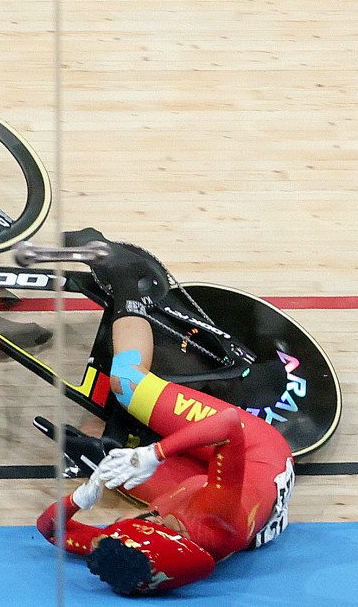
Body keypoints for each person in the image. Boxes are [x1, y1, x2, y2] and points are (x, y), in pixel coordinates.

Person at [35, 234, 295, 596]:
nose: (154, 516)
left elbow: (51, 530)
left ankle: (134, 432)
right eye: (160, 523)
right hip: (257, 452)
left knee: (105, 458)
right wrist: (154, 454)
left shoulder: (141, 545)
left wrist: (81, 497)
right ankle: (130, 283)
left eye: (145, 520)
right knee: (127, 384)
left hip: (219, 488)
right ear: (181, 539)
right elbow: (228, 427)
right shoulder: (214, 518)